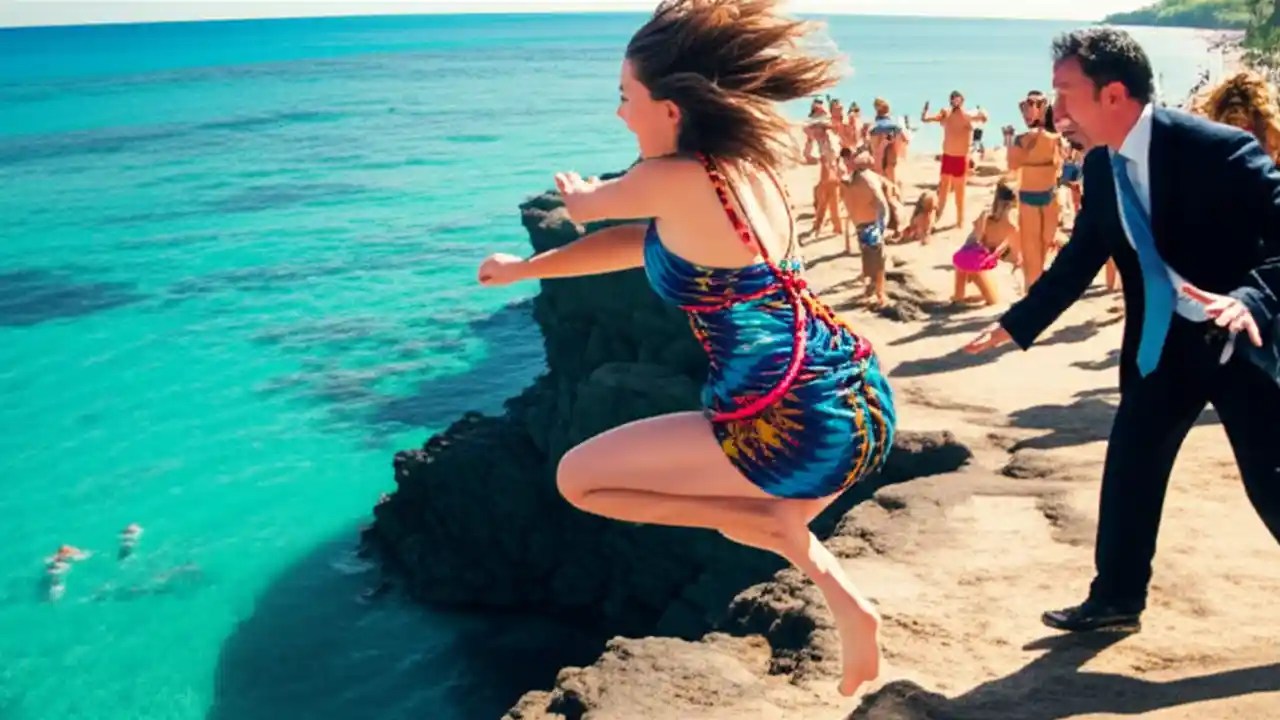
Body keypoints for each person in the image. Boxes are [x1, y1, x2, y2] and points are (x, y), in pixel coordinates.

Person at [477, 0, 896, 696]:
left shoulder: (672, 177)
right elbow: (630, 245)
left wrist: (582, 196)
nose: (619, 114)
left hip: (793, 427)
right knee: (751, 526)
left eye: (625, 98)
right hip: (858, 400)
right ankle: (830, 585)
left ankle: (804, 555)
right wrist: (526, 271)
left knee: (579, 480)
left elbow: (589, 208)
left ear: (671, 109)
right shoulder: (740, 171)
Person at [964, 27, 1280, 633]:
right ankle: (1115, 599)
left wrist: (1252, 301)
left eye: (1064, 95)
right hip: (1163, 346)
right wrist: (1016, 324)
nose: (1055, 113)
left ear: (1113, 96)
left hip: (1239, 338)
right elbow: (1083, 255)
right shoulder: (1104, 166)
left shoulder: (1217, 150)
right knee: (1132, 466)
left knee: (1272, 481)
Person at [1004, 90, 1063, 289]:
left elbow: (1061, 163)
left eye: (1035, 104)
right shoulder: (1022, 140)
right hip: (1029, 197)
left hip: (1049, 196)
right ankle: (1032, 295)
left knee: (1045, 245)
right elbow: (1012, 165)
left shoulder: (1055, 138)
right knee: (1032, 253)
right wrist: (1010, 141)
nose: (1030, 109)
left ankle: (1035, 289)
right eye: (1027, 106)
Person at [920, 91, 988, 228]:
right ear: (951, 101)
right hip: (948, 156)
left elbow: (984, 118)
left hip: (960, 158)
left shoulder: (968, 116)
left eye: (958, 99)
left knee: (959, 191)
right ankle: (937, 217)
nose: (955, 101)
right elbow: (927, 119)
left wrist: (981, 111)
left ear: (962, 100)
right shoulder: (946, 114)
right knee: (943, 189)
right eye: (953, 99)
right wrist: (925, 111)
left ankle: (960, 220)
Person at [952, 182, 1019, 306]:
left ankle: (959, 297)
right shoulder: (1013, 223)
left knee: (960, 294)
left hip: (964, 255)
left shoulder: (987, 215)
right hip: (978, 260)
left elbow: (977, 236)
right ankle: (969, 296)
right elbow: (1014, 249)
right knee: (993, 300)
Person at [841, 150, 891, 307]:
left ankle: (880, 293)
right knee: (867, 258)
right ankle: (870, 289)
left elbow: (881, 203)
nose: (846, 162)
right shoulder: (854, 178)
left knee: (878, 260)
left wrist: (881, 226)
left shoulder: (866, 179)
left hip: (871, 223)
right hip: (862, 224)